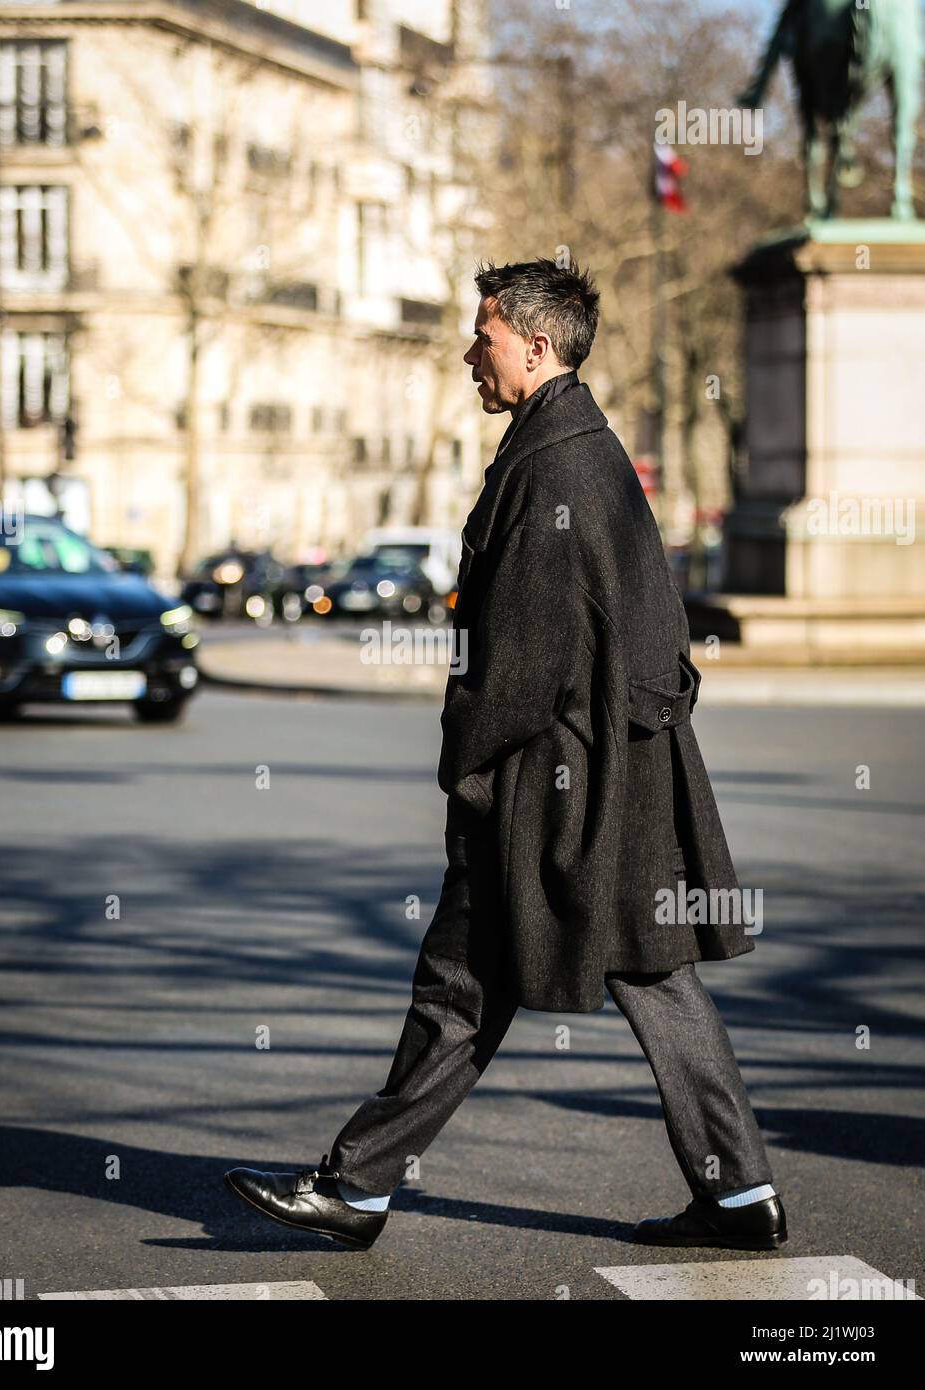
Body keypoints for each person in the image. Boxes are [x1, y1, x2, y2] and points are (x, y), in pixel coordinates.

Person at [223, 257, 786, 1254]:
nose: (465, 353)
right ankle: (738, 1193)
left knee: (463, 983)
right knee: (634, 974)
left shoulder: (550, 466)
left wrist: (466, 769)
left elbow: (520, 665)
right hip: (610, 776)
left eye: (479, 337)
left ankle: (356, 1188)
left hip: (547, 788)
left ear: (533, 347)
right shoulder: (581, 448)